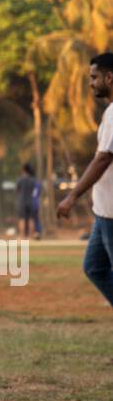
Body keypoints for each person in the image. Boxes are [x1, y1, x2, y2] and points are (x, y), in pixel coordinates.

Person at [57, 52, 113, 310]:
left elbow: (103, 160)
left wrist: (72, 195)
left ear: (109, 78)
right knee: (94, 267)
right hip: (103, 212)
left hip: (112, 214)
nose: (90, 83)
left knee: (96, 268)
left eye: (94, 77)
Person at [15, 164, 39, 238]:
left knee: (22, 219)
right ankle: (32, 235)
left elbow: (16, 190)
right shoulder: (33, 180)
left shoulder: (20, 179)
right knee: (31, 219)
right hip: (31, 201)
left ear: (24, 170)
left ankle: (23, 236)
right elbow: (36, 191)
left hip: (22, 201)